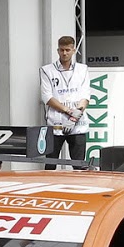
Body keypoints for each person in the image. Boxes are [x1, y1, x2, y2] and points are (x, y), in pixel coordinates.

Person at [40, 35, 90, 167]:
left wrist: (74, 117)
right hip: (55, 123)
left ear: (73, 50)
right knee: (50, 165)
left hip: (78, 124)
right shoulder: (47, 70)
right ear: (58, 50)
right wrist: (68, 111)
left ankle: (78, 188)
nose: (64, 53)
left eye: (68, 50)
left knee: (79, 165)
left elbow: (85, 96)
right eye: (62, 50)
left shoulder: (82, 69)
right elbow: (47, 97)